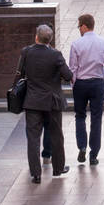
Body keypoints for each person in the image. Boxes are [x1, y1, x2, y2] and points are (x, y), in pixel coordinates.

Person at [16, 24, 72, 183]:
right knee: (56, 135)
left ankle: (36, 173)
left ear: (36, 37)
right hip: (52, 102)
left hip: (32, 102)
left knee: (33, 138)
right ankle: (58, 168)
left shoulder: (26, 52)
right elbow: (68, 75)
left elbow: (20, 73)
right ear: (50, 40)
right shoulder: (56, 55)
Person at [69, 13, 104, 166]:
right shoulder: (103, 42)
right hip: (96, 83)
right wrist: (102, 74)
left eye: (79, 26)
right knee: (96, 118)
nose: (78, 30)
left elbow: (73, 68)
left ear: (84, 26)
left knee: (80, 116)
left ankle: (82, 145)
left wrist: (73, 83)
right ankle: (93, 154)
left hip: (81, 83)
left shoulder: (76, 44)